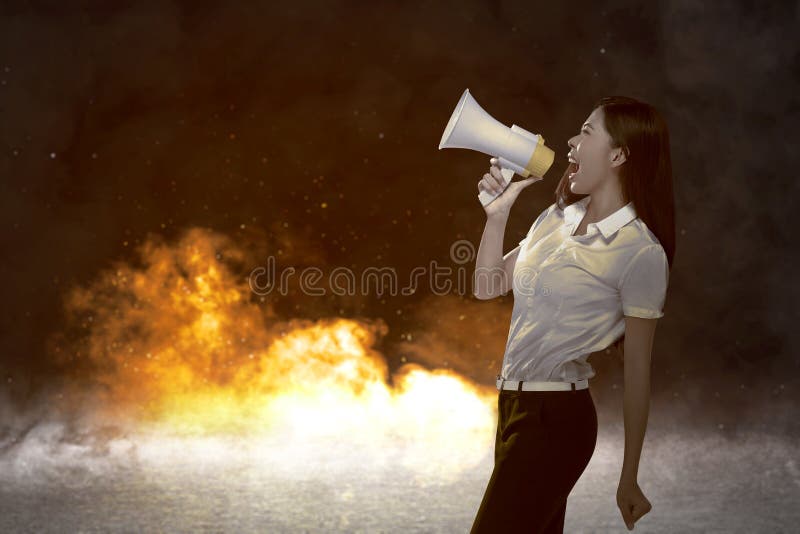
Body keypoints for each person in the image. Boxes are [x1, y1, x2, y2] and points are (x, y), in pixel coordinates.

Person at [470, 96, 675, 533]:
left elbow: (639, 371)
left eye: (585, 132)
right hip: (512, 407)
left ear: (618, 155)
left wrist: (629, 477)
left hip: (556, 421)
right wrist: (497, 215)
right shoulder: (554, 219)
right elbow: (487, 287)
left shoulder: (640, 253)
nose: (569, 143)